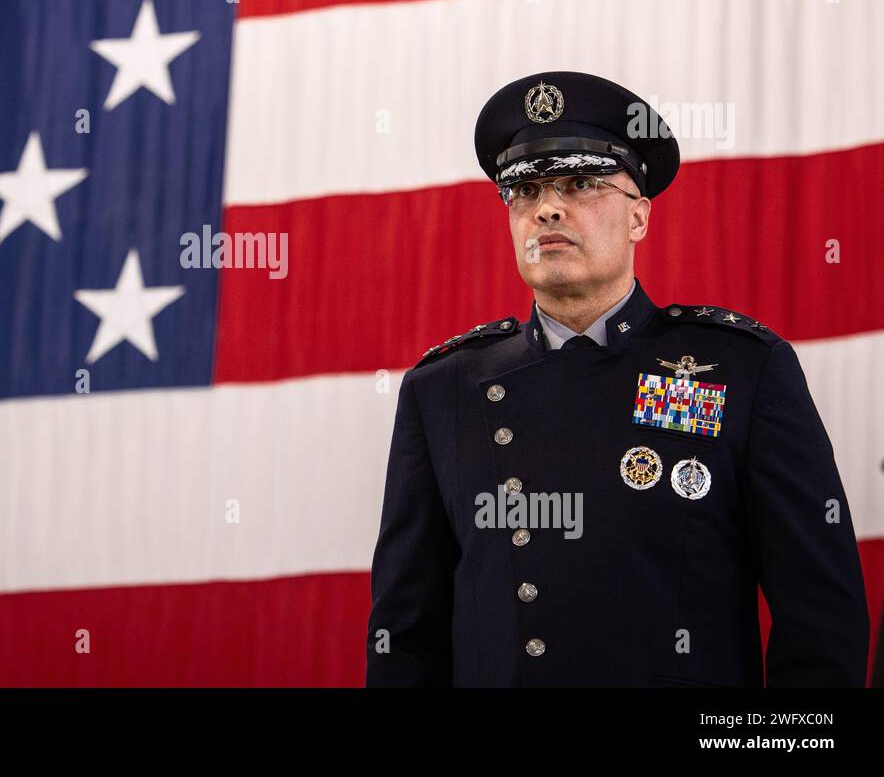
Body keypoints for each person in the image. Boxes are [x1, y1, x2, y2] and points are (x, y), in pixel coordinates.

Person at [365, 71, 870, 686]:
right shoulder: (441, 391)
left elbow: (820, 614)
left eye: (580, 183)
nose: (548, 206)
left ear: (639, 217)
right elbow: (405, 634)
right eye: (525, 191)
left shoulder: (740, 369)